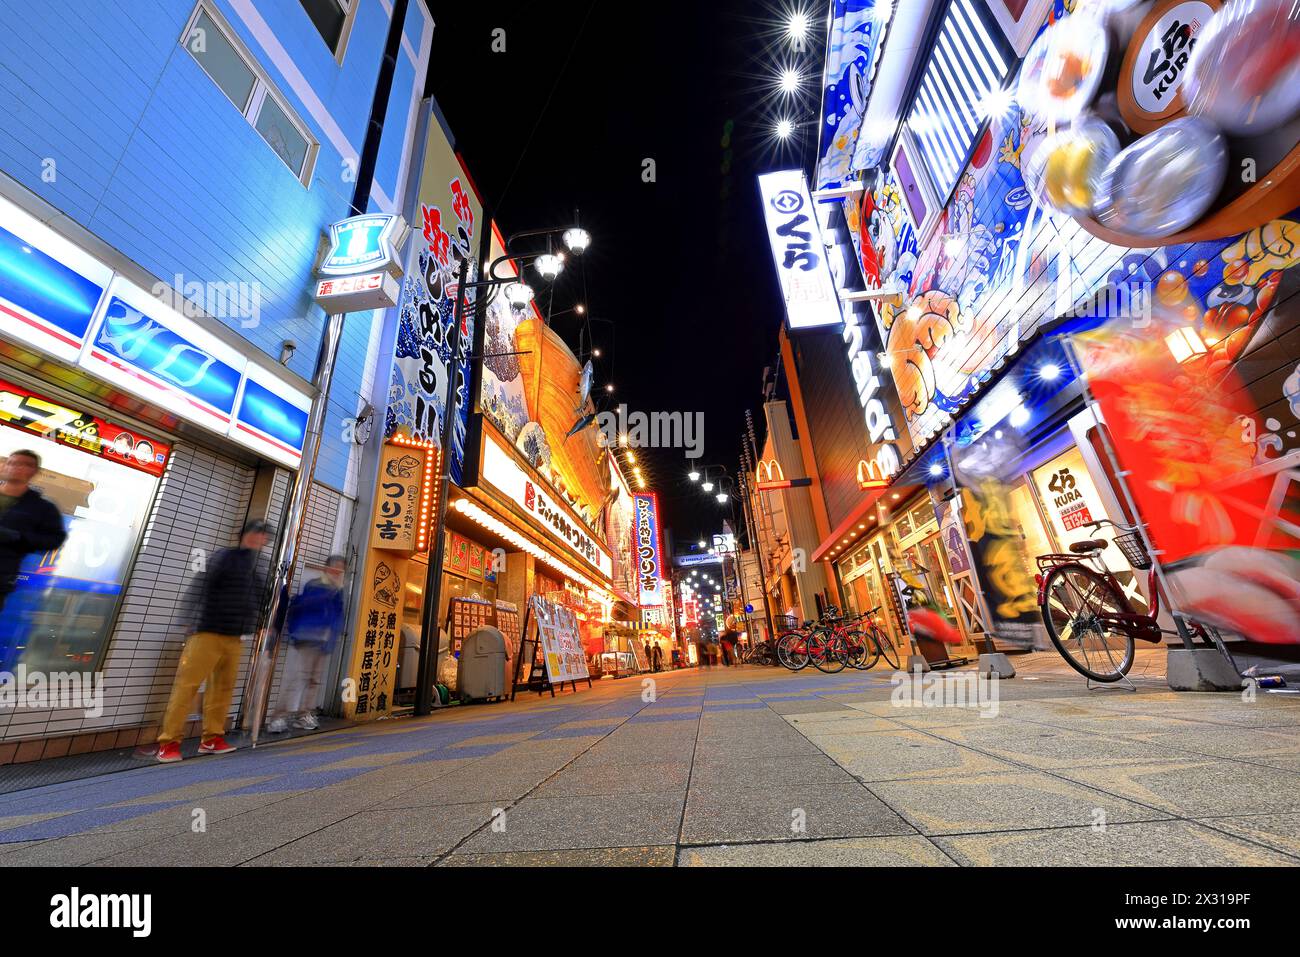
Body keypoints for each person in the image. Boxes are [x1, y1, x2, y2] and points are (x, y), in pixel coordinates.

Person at [156, 519, 272, 762]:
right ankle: (169, 742)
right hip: (207, 630)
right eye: (256, 534)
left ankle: (212, 738)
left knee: (222, 689)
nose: (259, 539)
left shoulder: (260, 565)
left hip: (235, 635)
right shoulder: (224, 556)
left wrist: (262, 625)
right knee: (187, 686)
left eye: (263, 536)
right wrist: (187, 619)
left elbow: (262, 597)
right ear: (244, 535)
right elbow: (199, 586)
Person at [268, 554, 347, 733]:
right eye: (335, 566)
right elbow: (312, 607)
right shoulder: (317, 585)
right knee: (298, 677)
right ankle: (278, 717)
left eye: (341, 568)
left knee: (314, 680)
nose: (337, 571)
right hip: (308, 638)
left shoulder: (338, 590)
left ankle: (304, 714)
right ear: (327, 568)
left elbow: (336, 616)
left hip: (323, 641)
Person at [0, 450, 67, 617]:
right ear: (4, 466)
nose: (17, 468)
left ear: (35, 472)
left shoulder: (43, 508)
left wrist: (18, 537)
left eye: (25, 464)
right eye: (13, 463)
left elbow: (55, 539)